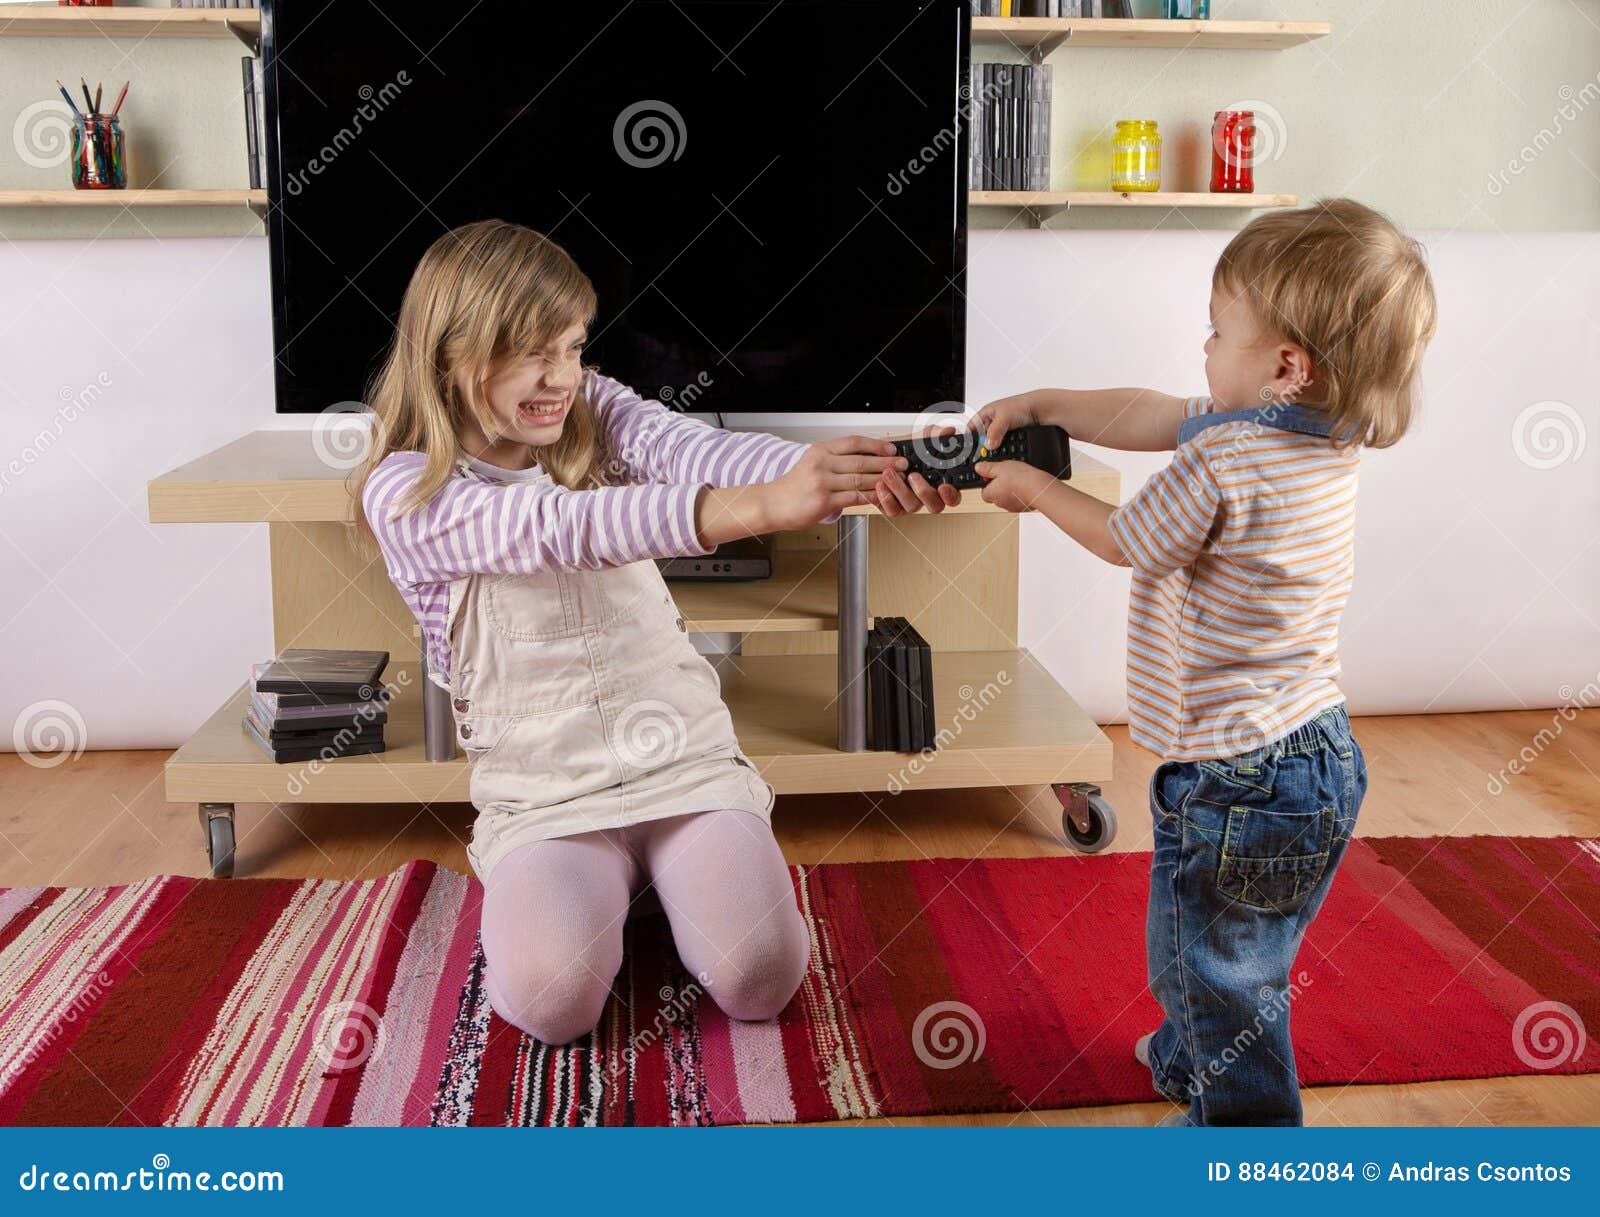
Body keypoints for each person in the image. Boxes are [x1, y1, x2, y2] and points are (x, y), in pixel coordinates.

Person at [876, 198, 1438, 1125]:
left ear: (1286, 365)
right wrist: (1048, 405)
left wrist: (1034, 486)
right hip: (1318, 757)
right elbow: (1159, 413)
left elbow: (1129, 537)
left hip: (1236, 777)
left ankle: (1245, 1141)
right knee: (1242, 941)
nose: (1203, 350)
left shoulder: (1223, 464)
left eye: (1219, 333)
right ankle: (1191, 1055)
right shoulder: (1323, 436)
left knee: (1211, 960)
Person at [354, 219, 938, 1045]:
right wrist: (767, 511)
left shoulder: (591, 407)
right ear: (452, 352)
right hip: (548, 794)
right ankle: (609, 892)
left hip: (682, 760)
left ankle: (669, 880)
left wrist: (854, 471)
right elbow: (562, 527)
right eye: (534, 354)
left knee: (761, 977)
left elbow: (691, 448)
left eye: (573, 348)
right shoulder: (408, 490)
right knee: (555, 1006)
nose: (562, 378)